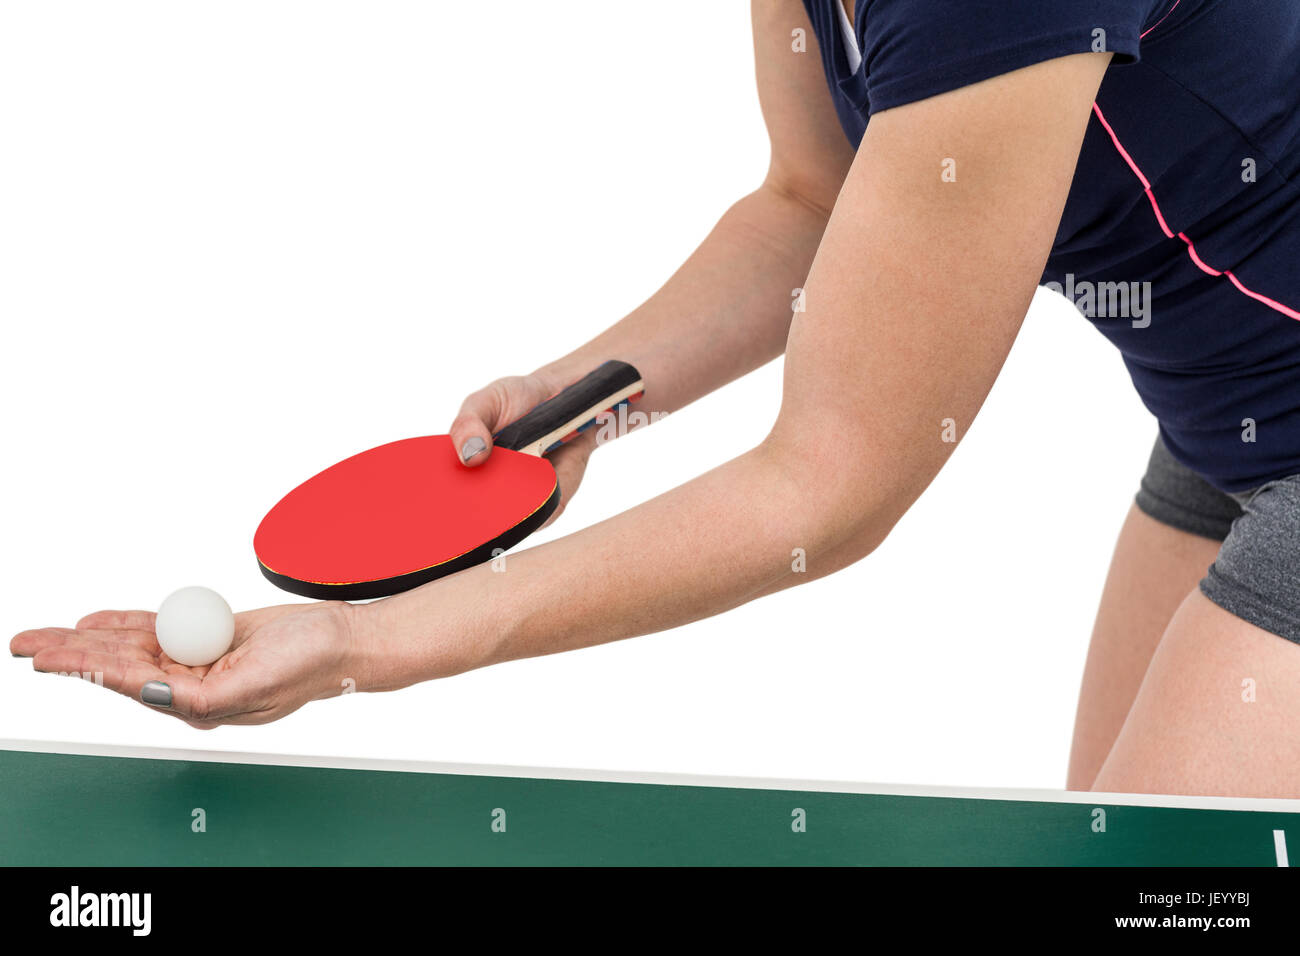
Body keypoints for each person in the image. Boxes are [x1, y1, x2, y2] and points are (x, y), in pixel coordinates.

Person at [12, 1, 1300, 798]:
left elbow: (831, 485)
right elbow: (811, 198)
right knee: (1122, 869)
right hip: (1226, 425)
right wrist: (587, 407)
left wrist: (368, 647)